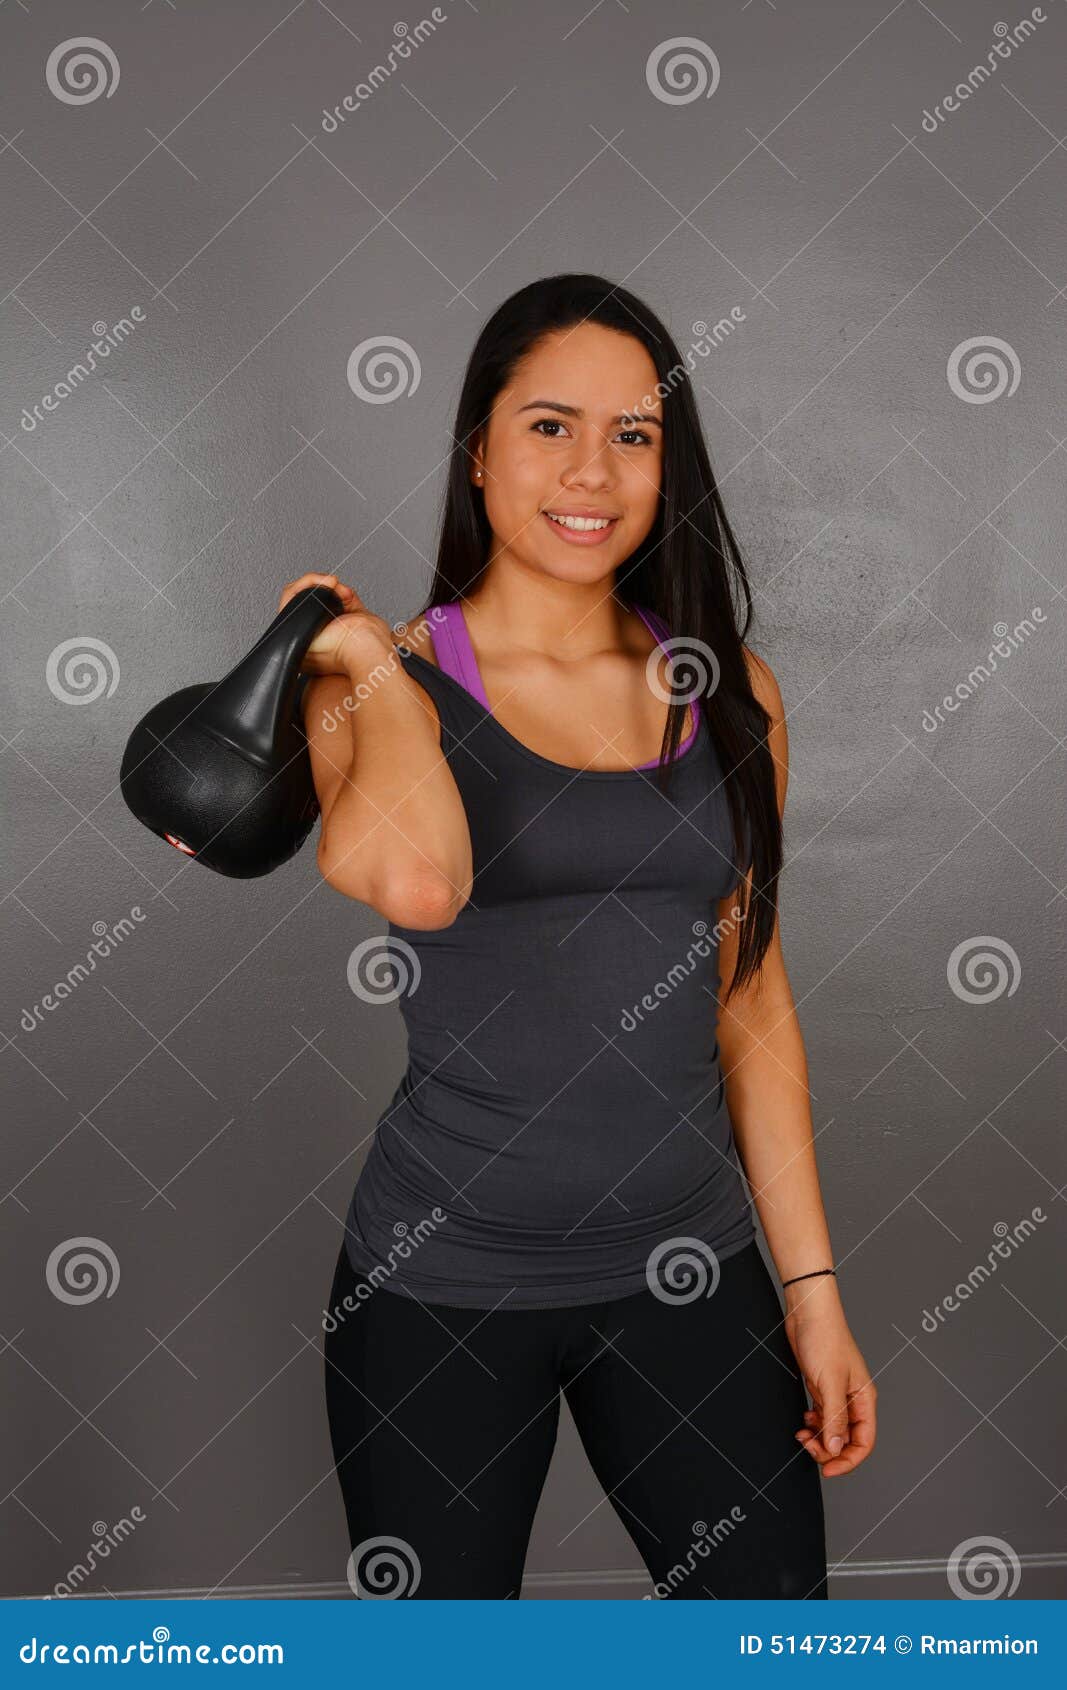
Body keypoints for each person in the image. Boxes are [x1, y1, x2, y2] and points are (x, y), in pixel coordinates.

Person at [285, 273, 876, 1600]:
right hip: (440, 1284)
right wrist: (377, 669)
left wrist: (814, 1292)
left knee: (770, 1648)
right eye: (550, 425)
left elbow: (753, 1000)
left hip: (689, 1269)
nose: (592, 469)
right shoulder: (374, 686)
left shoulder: (733, 695)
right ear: (478, 451)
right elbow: (421, 880)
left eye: (636, 432)